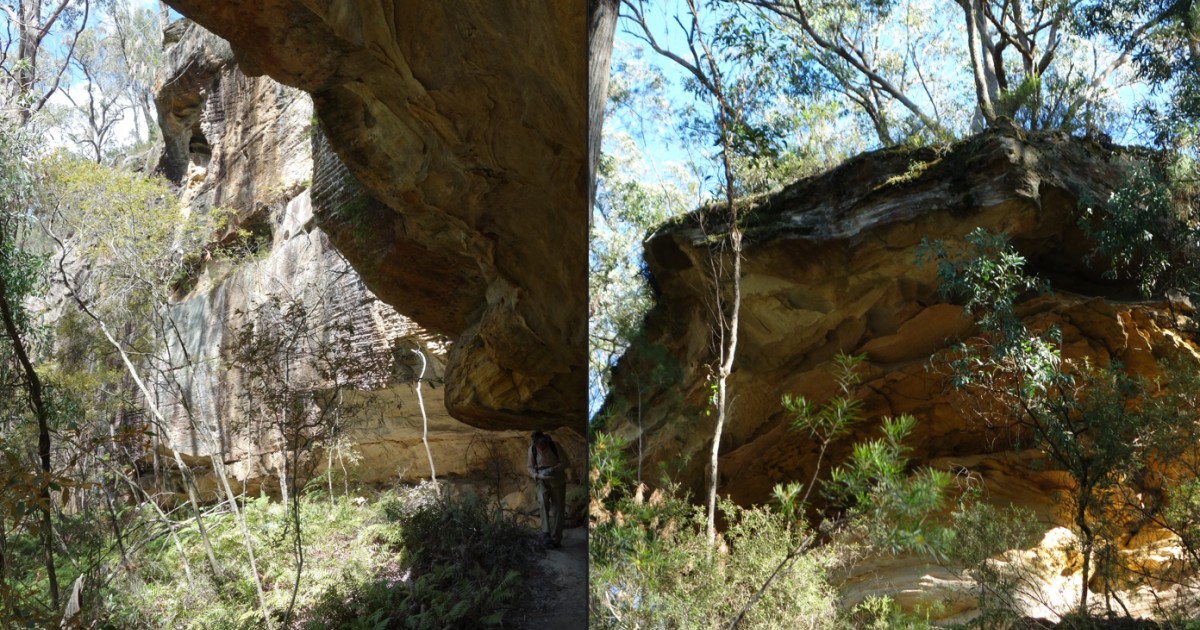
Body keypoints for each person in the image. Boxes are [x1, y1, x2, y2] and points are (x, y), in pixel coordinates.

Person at [527, 431, 569, 548]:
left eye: (540, 442)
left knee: (558, 508)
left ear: (544, 440)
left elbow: (565, 462)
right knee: (543, 504)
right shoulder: (532, 449)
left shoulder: (554, 446)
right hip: (541, 480)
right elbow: (530, 467)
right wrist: (536, 475)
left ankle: (556, 538)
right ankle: (545, 533)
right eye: (536, 443)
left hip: (557, 480)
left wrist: (553, 470)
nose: (539, 445)